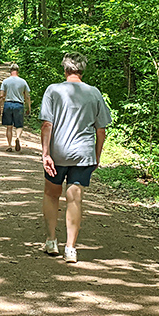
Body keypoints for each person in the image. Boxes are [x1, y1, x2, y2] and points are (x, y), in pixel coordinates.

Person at [39, 53, 112, 263]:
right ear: (83, 70)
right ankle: (70, 248)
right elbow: (101, 130)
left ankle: (52, 240)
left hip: (57, 153)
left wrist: (45, 153)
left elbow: (46, 125)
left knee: (52, 194)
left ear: (65, 69)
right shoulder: (94, 93)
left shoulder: (53, 90)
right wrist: (96, 156)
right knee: (75, 198)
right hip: (83, 153)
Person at [0, 63, 31, 152]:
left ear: (10, 71)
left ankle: (9, 145)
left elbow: (1, 95)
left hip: (8, 104)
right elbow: (27, 96)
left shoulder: (5, 81)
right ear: (18, 71)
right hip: (19, 105)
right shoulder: (23, 81)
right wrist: (29, 107)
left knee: (9, 126)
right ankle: (17, 137)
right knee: (19, 125)